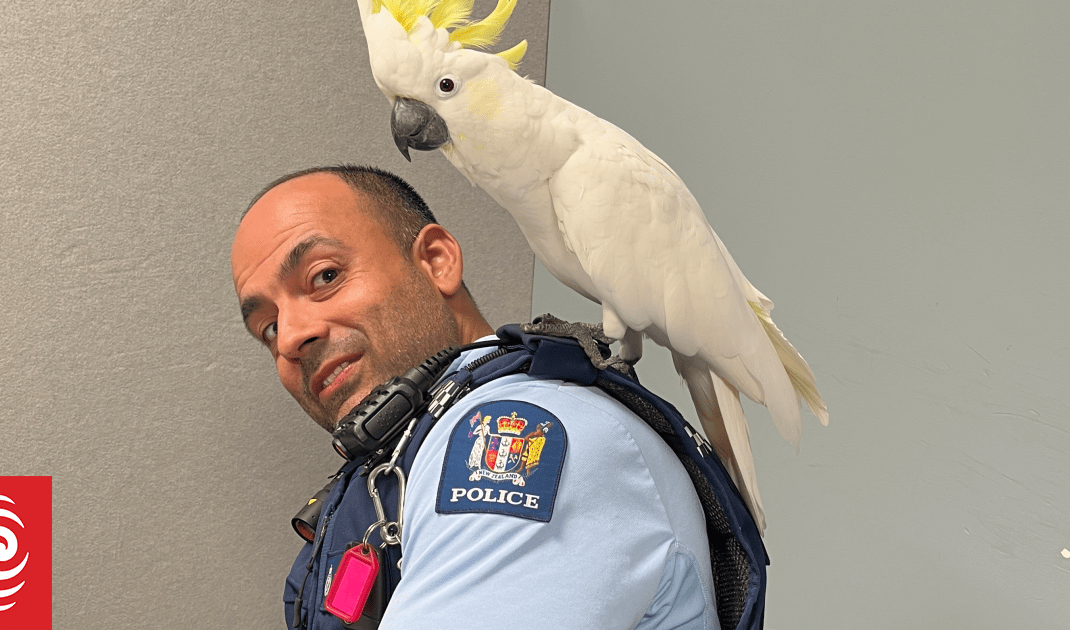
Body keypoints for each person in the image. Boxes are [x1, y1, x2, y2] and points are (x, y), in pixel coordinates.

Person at [231, 165, 719, 629]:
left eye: (325, 277)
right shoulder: (406, 464)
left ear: (436, 262)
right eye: (269, 327)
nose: (291, 336)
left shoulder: (528, 435)